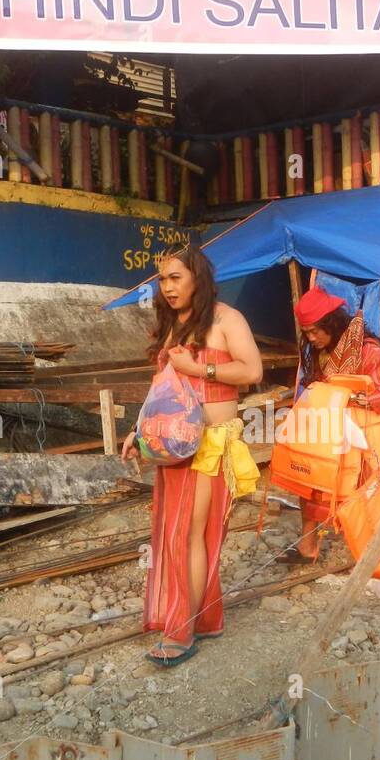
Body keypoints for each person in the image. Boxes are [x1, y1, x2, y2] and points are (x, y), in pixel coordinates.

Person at [121, 246, 264, 667]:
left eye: (175, 278)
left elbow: (252, 371)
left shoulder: (226, 319)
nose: (167, 287)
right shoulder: (172, 327)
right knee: (179, 533)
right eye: (162, 279)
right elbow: (162, 390)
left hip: (209, 447)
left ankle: (181, 629)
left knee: (188, 535)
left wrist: (199, 370)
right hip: (173, 446)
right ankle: (207, 618)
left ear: (197, 278)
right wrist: (136, 429)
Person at [283, 285, 380, 564]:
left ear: (332, 324)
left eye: (315, 331)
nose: (311, 338)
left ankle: (376, 554)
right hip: (328, 433)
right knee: (308, 485)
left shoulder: (367, 350)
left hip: (360, 438)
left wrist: (349, 396)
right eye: (306, 332)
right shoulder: (322, 351)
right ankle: (308, 548)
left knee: (362, 494)